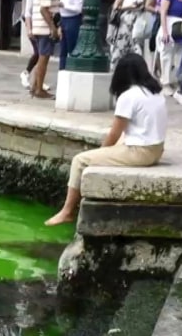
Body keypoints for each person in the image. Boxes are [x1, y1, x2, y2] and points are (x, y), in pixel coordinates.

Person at [44, 53, 166, 227]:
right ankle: (69, 209)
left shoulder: (129, 96)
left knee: (80, 160)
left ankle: (67, 211)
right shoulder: (155, 91)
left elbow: (113, 134)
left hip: (141, 153)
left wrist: (99, 153)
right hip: (157, 150)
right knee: (122, 139)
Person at [29, 0, 62, 99]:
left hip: (38, 27)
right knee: (44, 59)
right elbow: (44, 9)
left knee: (41, 58)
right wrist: (52, 27)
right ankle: (39, 89)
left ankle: (35, 86)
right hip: (44, 28)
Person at [109, 0, 148, 70]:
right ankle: (117, 69)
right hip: (125, 20)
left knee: (137, 46)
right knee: (122, 46)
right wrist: (129, 6)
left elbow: (147, 5)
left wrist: (142, 7)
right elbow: (116, 6)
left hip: (138, 20)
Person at [19, 0, 50, 93]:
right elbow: (27, 13)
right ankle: (28, 74)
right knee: (39, 53)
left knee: (41, 54)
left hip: (43, 28)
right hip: (34, 28)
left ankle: (37, 79)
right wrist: (28, 29)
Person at [57, 0, 84, 71]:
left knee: (71, 47)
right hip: (63, 19)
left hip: (72, 20)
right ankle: (62, 69)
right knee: (62, 48)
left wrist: (64, 5)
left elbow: (78, 8)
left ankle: (71, 69)